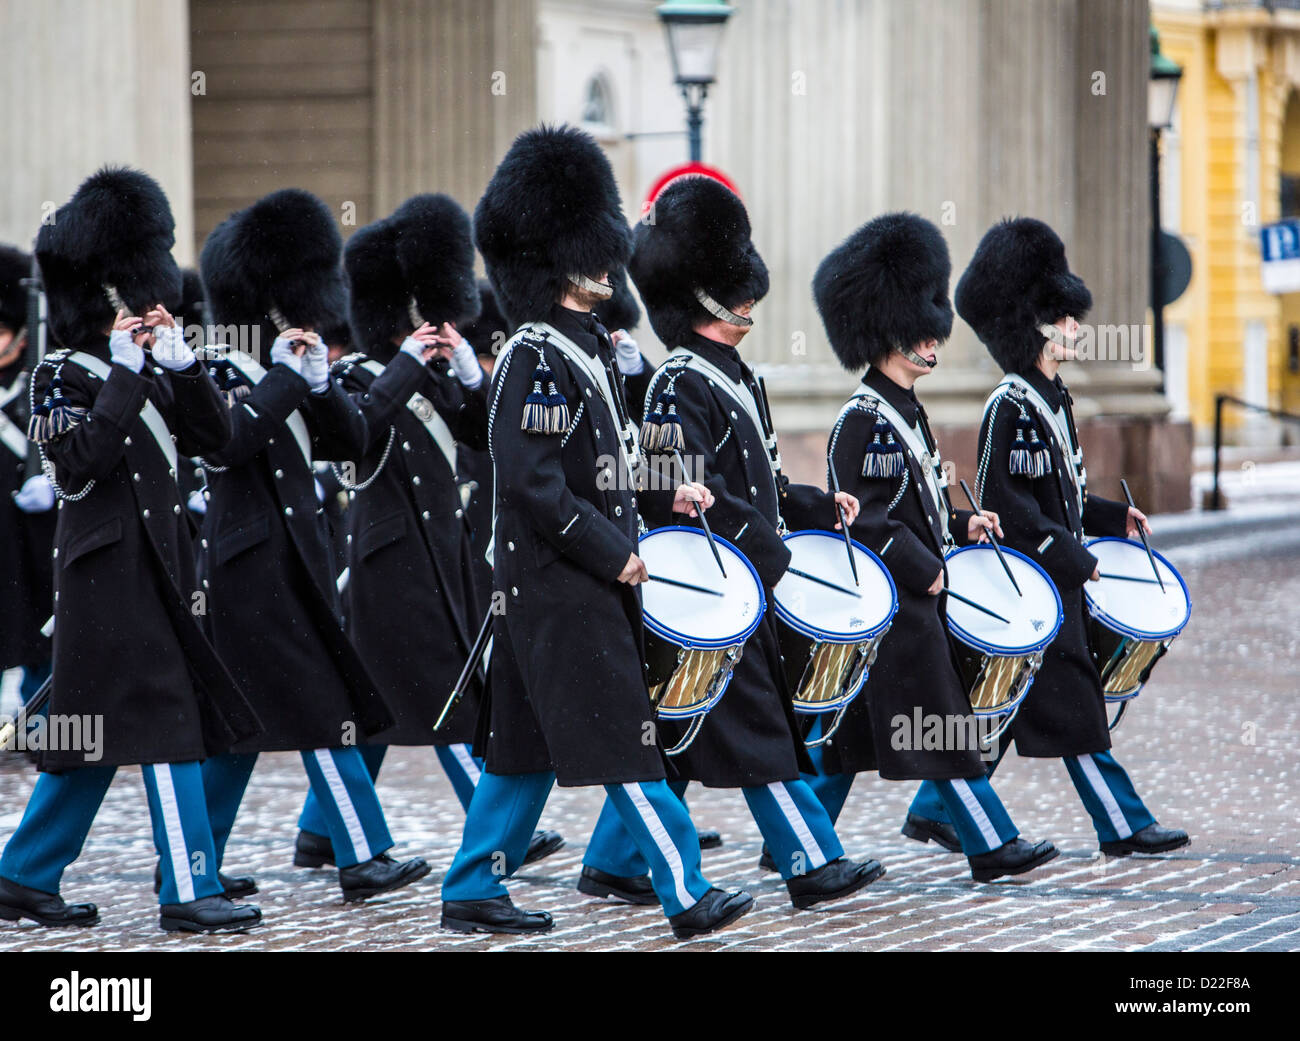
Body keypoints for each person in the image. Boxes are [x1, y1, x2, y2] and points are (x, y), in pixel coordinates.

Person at [440, 124, 751, 940]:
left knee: (521, 750)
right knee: (624, 741)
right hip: (557, 583)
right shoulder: (537, 354)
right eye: (593, 246)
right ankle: (684, 889)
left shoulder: (584, 346)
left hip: (560, 582)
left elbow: (595, 468)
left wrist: (666, 492)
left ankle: (474, 882)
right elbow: (537, 485)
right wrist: (617, 556)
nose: (610, 260)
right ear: (556, 257)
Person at [587, 173, 886, 910]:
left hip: (744, 573)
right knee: (756, 727)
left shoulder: (734, 376)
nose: (749, 304)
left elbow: (766, 483)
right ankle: (812, 862)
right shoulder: (675, 384)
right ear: (707, 297)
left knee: (684, 729)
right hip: (720, 578)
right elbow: (678, 492)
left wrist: (821, 506)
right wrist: (767, 549)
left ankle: (613, 860)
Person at [0, 168, 263, 932]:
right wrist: (123, 372)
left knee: (96, 735)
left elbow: (221, 441)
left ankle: (21, 873)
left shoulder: (150, 370)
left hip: (161, 573)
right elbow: (75, 463)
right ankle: (187, 887)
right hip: (105, 577)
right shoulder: (59, 373)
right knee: (166, 721)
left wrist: (179, 365)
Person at [292, 193, 563, 869]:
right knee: (453, 693)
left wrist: (471, 373)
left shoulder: (439, 374)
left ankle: (321, 831)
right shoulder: (353, 373)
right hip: (389, 564)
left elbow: (482, 438)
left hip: (444, 557)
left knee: (383, 704)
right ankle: (500, 831)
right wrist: (410, 362)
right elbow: (354, 434)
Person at [905, 217, 1189, 857]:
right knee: (1075, 705)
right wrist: (1072, 556)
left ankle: (934, 807)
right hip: (1036, 580)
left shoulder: (1052, 398)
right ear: (1036, 322)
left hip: (1055, 576)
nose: (1076, 329)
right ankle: (1122, 824)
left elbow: (1066, 496)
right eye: (1065, 318)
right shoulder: (1010, 403)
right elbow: (1013, 507)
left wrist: (1115, 518)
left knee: (1005, 707)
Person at [194, 188, 431, 903]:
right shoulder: (218, 363)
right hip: (249, 568)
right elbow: (228, 441)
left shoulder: (288, 359)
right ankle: (363, 853)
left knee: (244, 731)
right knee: (328, 708)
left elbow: (352, 439)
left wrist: (319, 381)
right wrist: (285, 376)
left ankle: (193, 860)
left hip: (295, 562)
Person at [814, 212, 1060, 881]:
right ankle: (990, 844)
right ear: (888, 333)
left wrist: (960, 526)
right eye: (920, 333)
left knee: (851, 744)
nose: (932, 343)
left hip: (913, 594)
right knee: (946, 728)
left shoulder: (906, 411)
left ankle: (798, 835)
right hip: (899, 601)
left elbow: (913, 509)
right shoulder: (863, 422)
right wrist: (928, 570)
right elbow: (867, 524)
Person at [0, 245, 54, 710]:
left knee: (40, 642)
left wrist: (52, 484)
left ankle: (40, 729)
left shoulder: (38, 381)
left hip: (32, 537)